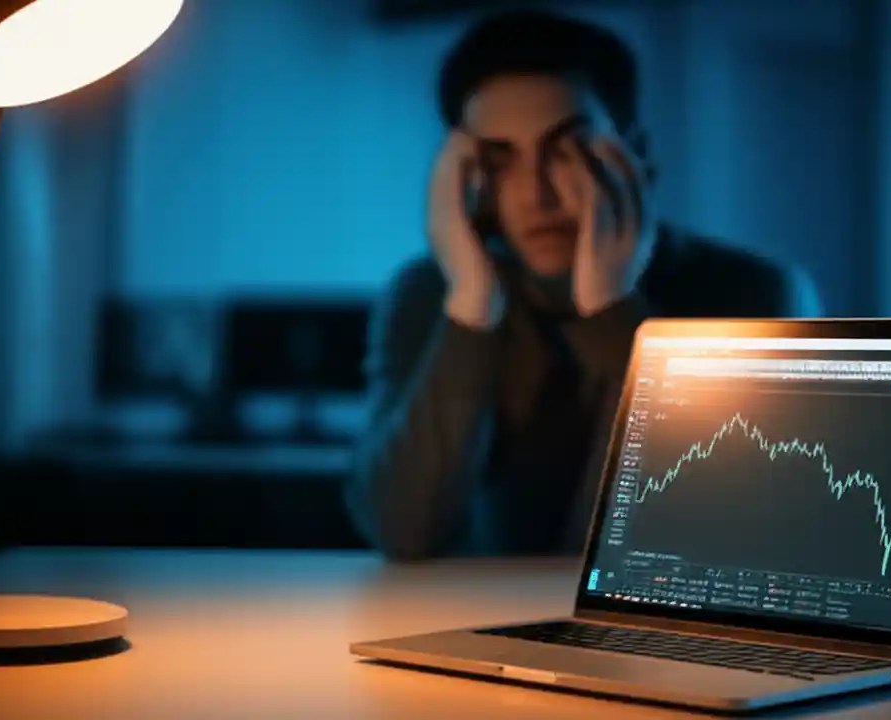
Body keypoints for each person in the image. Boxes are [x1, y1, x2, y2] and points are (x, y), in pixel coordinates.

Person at [345, 9, 822, 560]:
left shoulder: (754, 294)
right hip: (476, 625)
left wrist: (614, 313)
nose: (536, 195)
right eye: (500, 161)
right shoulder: (430, 294)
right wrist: (472, 310)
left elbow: (726, 532)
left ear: (634, 155)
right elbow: (399, 531)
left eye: (567, 151)